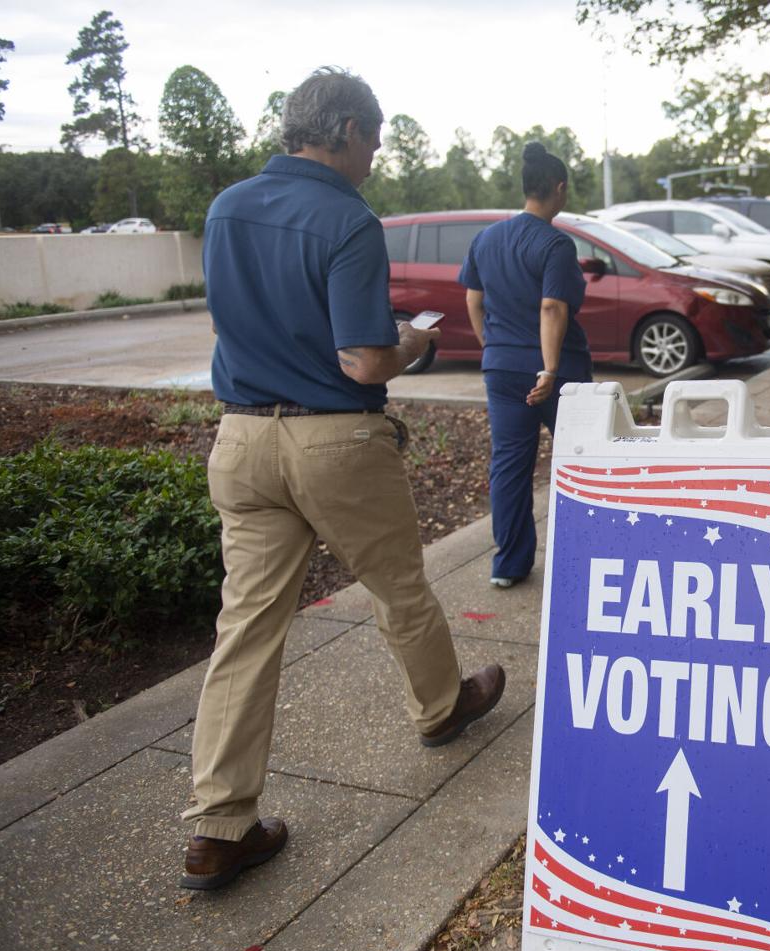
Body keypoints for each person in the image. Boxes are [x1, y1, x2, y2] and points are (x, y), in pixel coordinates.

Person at [181, 68, 505, 891]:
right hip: (335, 439)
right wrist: (416, 345)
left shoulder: (225, 208)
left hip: (243, 437)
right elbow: (362, 358)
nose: (379, 151)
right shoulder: (347, 219)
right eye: (376, 135)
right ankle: (440, 708)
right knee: (396, 585)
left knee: (246, 627)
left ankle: (220, 826)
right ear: (347, 132)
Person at [459, 142, 593, 589]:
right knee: (581, 462)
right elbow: (552, 307)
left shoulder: (486, 239)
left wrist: (491, 347)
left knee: (510, 465)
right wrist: (549, 369)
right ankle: (590, 556)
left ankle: (509, 564)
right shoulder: (555, 243)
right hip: (560, 374)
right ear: (559, 188)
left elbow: (473, 300)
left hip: (502, 368)